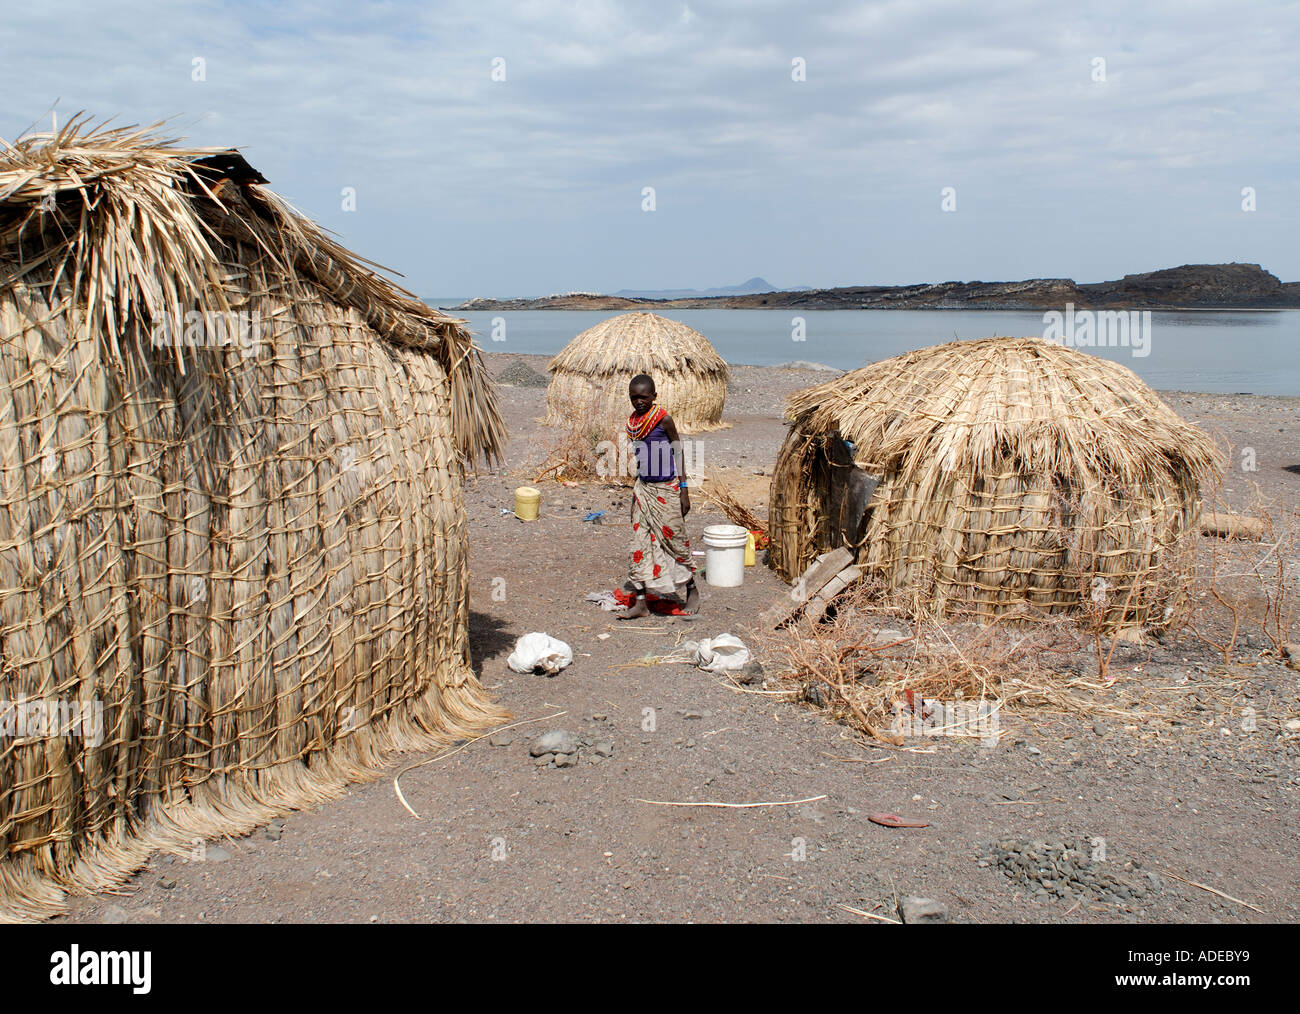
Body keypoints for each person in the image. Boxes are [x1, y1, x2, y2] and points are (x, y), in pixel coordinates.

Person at [618, 374, 700, 618]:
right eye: (634, 397)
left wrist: (684, 489)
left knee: (675, 540)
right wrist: (636, 489)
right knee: (640, 545)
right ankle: (641, 603)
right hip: (643, 488)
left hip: (666, 489)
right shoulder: (633, 422)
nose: (639, 401)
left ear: (654, 396)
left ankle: (691, 590)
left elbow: (678, 451)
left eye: (643, 397)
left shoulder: (663, 419)